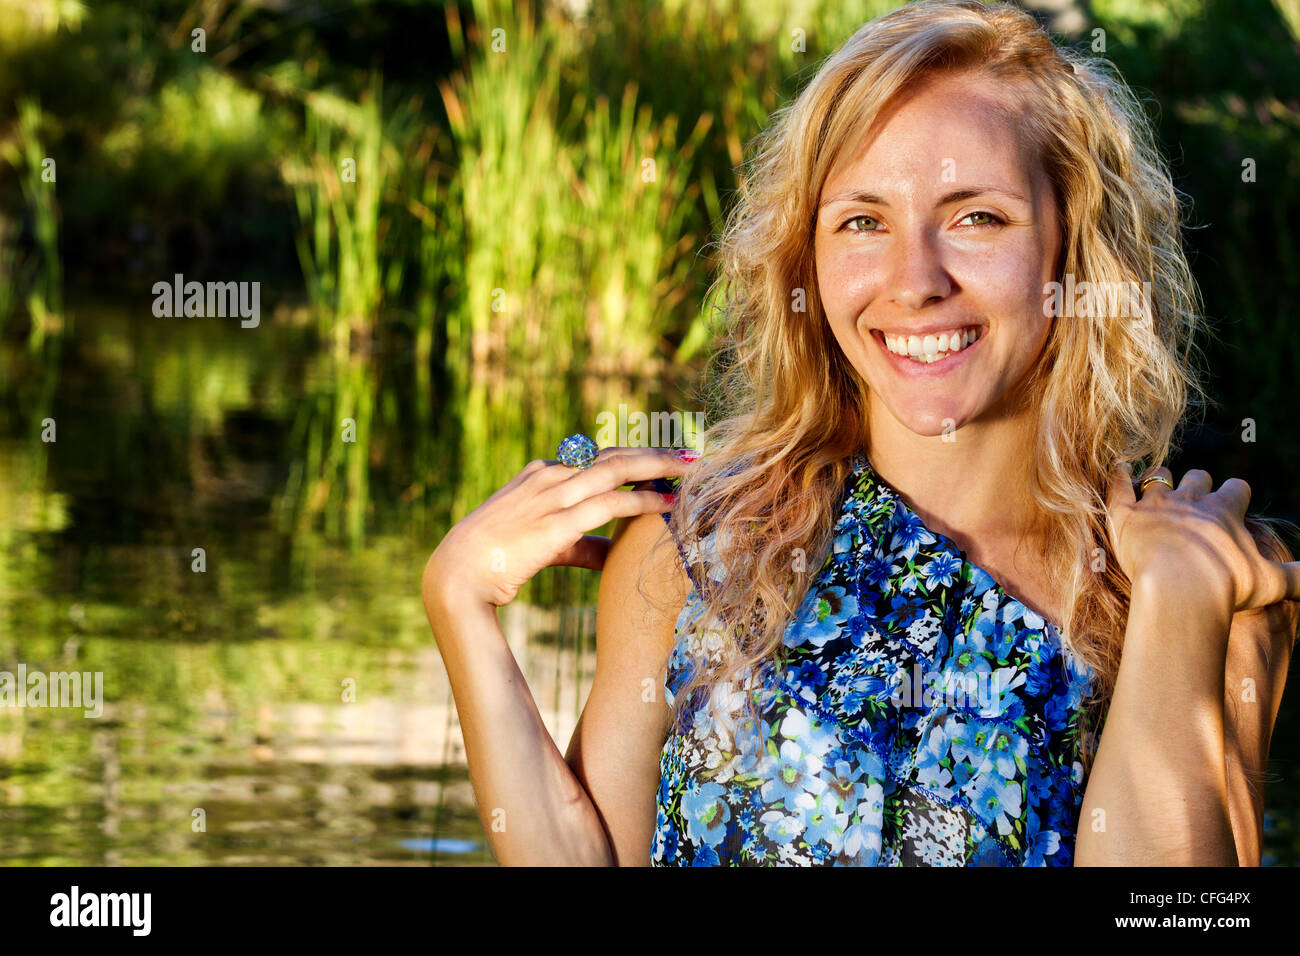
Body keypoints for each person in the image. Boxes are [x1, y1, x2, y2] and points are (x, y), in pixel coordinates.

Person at [422, 0, 1300, 866]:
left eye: (976, 217)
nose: (913, 282)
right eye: (862, 222)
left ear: (1076, 248)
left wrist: (1180, 607)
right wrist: (457, 599)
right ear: (807, 257)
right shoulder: (696, 554)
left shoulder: (1201, 585)